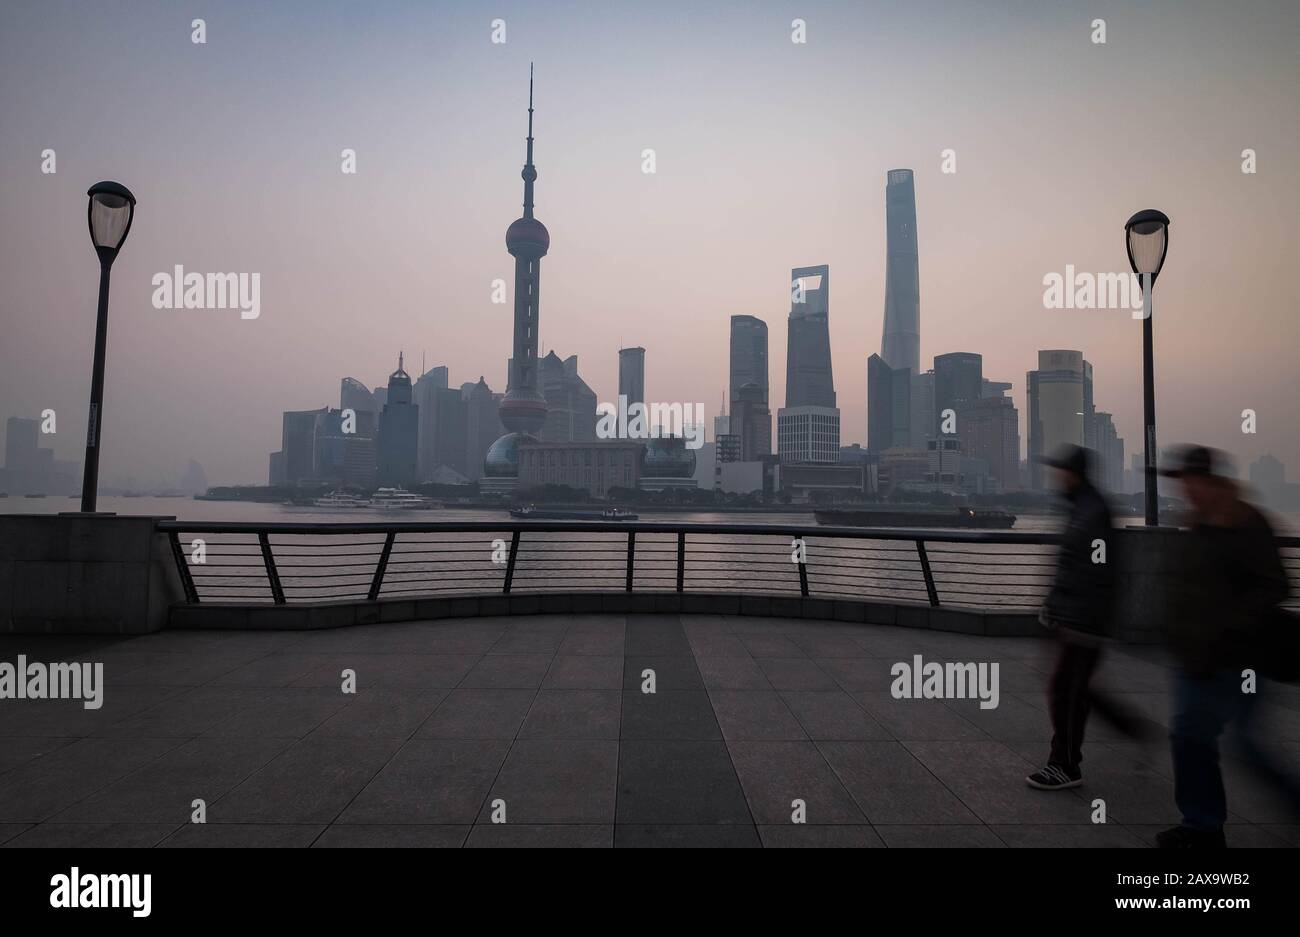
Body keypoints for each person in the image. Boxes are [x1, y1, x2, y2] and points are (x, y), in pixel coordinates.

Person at [1157, 445, 1298, 848]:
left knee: (1241, 743)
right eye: (1181, 483)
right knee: (1192, 737)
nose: (1184, 490)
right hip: (1197, 655)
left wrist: (1230, 623)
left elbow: (1276, 584)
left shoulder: (1247, 522)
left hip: (1239, 657)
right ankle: (1202, 825)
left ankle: (1205, 824)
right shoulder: (1197, 522)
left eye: (1189, 481)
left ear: (1210, 481)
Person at [1026, 445, 1126, 790]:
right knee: (1072, 690)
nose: (1056, 475)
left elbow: (1098, 570)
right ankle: (1123, 729)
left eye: (1061, 470)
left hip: (1083, 623)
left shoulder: (1093, 512)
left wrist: (1081, 619)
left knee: (1066, 692)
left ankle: (1065, 765)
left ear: (1074, 474)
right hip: (1075, 618)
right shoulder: (1081, 508)